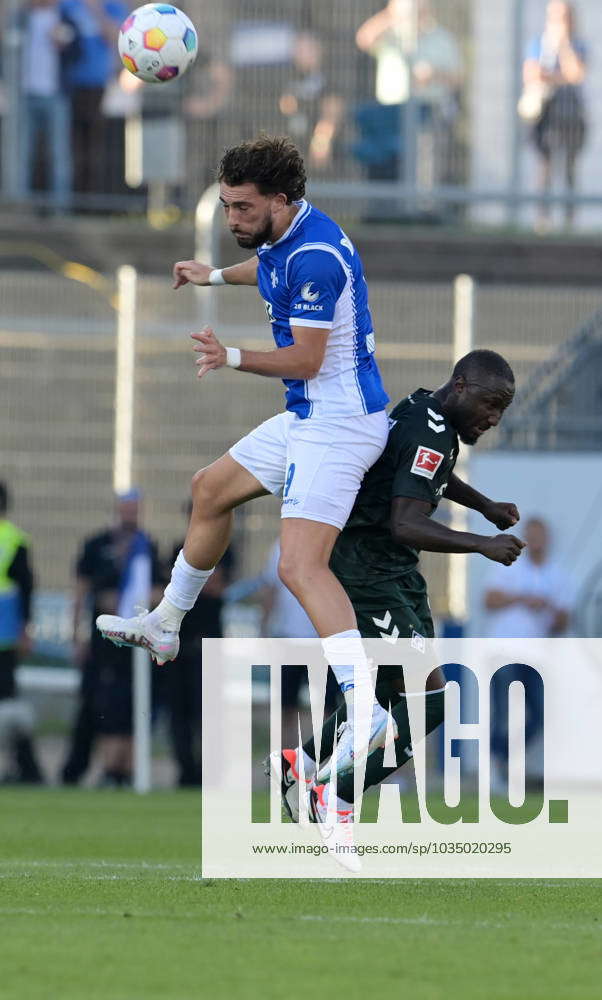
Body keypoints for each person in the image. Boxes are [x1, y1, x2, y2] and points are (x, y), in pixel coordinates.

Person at [96, 134, 392, 776]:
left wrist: (229, 355)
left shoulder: (316, 257)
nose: (232, 219)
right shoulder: (287, 238)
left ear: (281, 202)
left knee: (300, 566)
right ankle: (167, 623)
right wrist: (213, 275)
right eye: (228, 206)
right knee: (209, 490)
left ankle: (366, 708)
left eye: (242, 208)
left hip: (339, 425)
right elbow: (266, 267)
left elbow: (307, 359)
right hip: (313, 415)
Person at [267, 350, 523, 869]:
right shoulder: (432, 430)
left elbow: (425, 471)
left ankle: (303, 761)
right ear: (460, 385)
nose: (493, 418)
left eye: (501, 410)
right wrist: (481, 544)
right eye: (490, 404)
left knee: (386, 693)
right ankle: (336, 795)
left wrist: (485, 505)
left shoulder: (421, 412)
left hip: (395, 575)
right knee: (431, 701)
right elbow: (405, 522)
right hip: (368, 573)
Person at [61, 489, 163, 786]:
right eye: (126, 509)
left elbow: (159, 591)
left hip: (136, 647)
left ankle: (126, 769)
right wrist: (76, 636)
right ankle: (103, 768)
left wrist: (128, 603)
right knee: (103, 705)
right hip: (102, 645)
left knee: (134, 705)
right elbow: (79, 592)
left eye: (135, 509)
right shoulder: (96, 546)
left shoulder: (147, 547)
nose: (130, 515)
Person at [484, 516, 573, 788]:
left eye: (539, 536)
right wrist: (523, 598)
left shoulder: (558, 575)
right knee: (501, 714)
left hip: (537, 657)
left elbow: (564, 622)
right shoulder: (508, 566)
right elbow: (489, 600)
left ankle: (503, 757)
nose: (535, 541)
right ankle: (497, 773)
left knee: (540, 714)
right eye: (531, 535)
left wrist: (549, 608)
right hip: (504, 651)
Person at [355, 0, 462, 192]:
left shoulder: (442, 38)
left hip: (427, 112)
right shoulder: (391, 34)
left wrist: (434, 74)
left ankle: (423, 209)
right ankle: (388, 209)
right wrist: (392, 12)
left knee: (424, 165)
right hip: (390, 112)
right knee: (388, 163)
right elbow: (364, 38)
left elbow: (458, 77)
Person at [164, 502, 235, 788]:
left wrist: (188, 584)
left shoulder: (225, 548)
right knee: (178, 715)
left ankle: (211, 772)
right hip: (181, 645)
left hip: (209, 647)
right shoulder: (177, 549)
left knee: (208, 715)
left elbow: (216, 585)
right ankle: (186, 772)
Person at [522, 1, 587, 231]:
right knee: (544, 168)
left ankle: (569, 220)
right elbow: (532, 73)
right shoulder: (538, 44)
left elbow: (577, 74)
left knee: (569, 169)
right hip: (545, 115)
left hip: (570, 114)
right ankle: (543, 220)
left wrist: (564, 46)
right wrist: (557, 73)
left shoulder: (577, 45)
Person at [58, 0, 127, 197]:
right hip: (68, 84)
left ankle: (90, 197)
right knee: (70, 144)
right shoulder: (68, 5)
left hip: (96, 85)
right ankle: (69, 196)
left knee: (93, 143)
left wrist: (96, 10)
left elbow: (116, 37)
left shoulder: (112, 5)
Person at [17, 0, 79, 211]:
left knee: (59, 154)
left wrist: (63, 45)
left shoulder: (65, 19)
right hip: (24, 96)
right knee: (22, 155)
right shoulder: (20, 19)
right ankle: (19, 207)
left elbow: (77, 55)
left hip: (56, 96)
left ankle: (61, 209)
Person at [0, 481, 43, 784]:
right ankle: (25, 767)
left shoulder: (13, 539)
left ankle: (26, 767)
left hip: (4, 636)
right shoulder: (14, 539)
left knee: (8, 704)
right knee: (8, 703)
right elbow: (26, 588)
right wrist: (26, 630)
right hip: (5, 635)